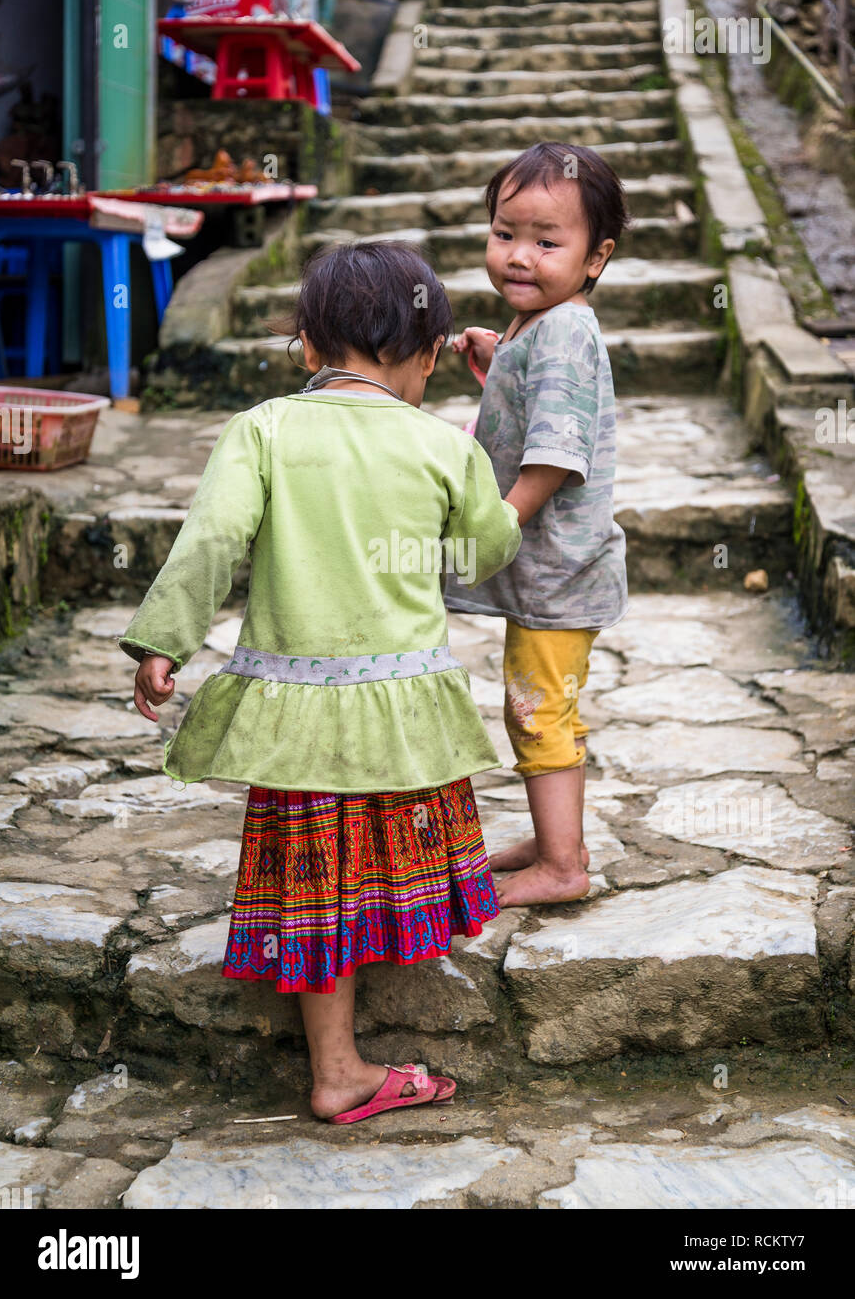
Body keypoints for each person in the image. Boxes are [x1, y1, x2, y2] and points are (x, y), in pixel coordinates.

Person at [117, 242, 521, 1123]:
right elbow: (487, 550)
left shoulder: (262, 428)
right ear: (427, 355)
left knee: (314, 879)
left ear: (307, 346)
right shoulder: (436, 446)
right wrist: (485, 423)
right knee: (378, 860)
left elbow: (211, 541)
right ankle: (342, 1068)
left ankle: (337, 1060)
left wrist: (164, 640)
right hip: (401, 718)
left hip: (295, 716)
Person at [445, 142, 630, 908]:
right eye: (503, 233)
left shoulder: (561, 333)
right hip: (555, 569)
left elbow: (554, 454)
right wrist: (498, 365)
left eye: (547, 242)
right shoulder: (536, 326)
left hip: (559, 568)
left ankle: (562, 868)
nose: (519, 256)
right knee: (540, 707)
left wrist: (495, 520)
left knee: (534, 710)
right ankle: (559, 839)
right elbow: (536, 407)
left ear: (596, 258)